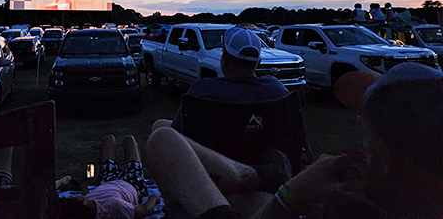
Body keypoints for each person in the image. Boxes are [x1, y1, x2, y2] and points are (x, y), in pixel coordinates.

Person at [146, 62, 443, 219]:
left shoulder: (357, 209)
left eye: (367, 138)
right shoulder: (276, 88)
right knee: (253, 198)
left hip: (276, 192)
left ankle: (260, 175)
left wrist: (290, 196)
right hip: (267, 181)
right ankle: (258, 176)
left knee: (162, 137)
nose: (360, 141)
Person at [153, 26, 288, 133]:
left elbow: (179, 130)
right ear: (258, 62)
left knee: (159, 126)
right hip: (263, 156)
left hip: (213, 161)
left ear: (223, 60)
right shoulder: (277, 89)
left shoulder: (202, 90)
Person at [59, 135, 159, 219]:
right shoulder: (115, 205)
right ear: (79, 201)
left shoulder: (89, 203)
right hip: (131, 184)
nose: (72, 197)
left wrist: (84, 181)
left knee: (108, 139)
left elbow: (86, 196)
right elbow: (144, 211)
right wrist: (153, 198)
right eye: (72, 198)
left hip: (108, 181)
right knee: (130, 140)